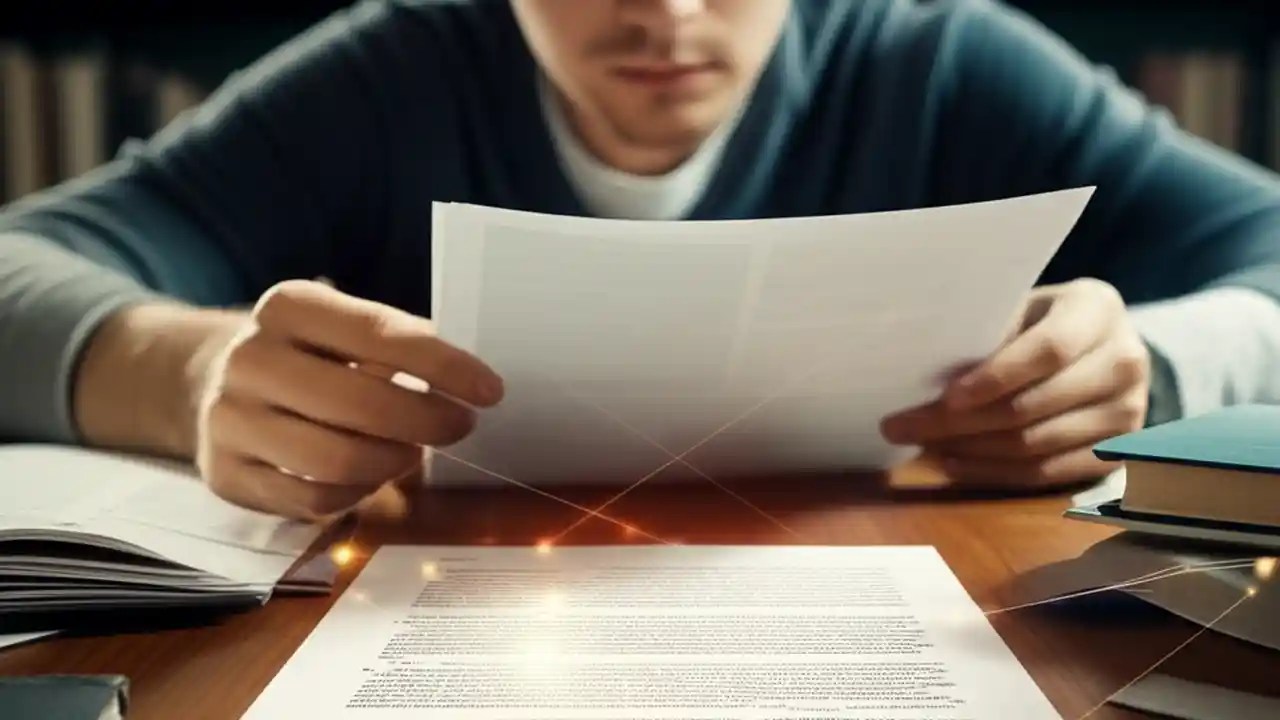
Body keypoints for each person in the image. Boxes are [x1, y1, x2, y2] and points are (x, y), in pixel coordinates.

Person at [1, 0, 1278, 520]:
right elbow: (22, 263)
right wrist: (193, 373)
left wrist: (1145, 368)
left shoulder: (939, 63)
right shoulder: (391, 74)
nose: (666, 13)